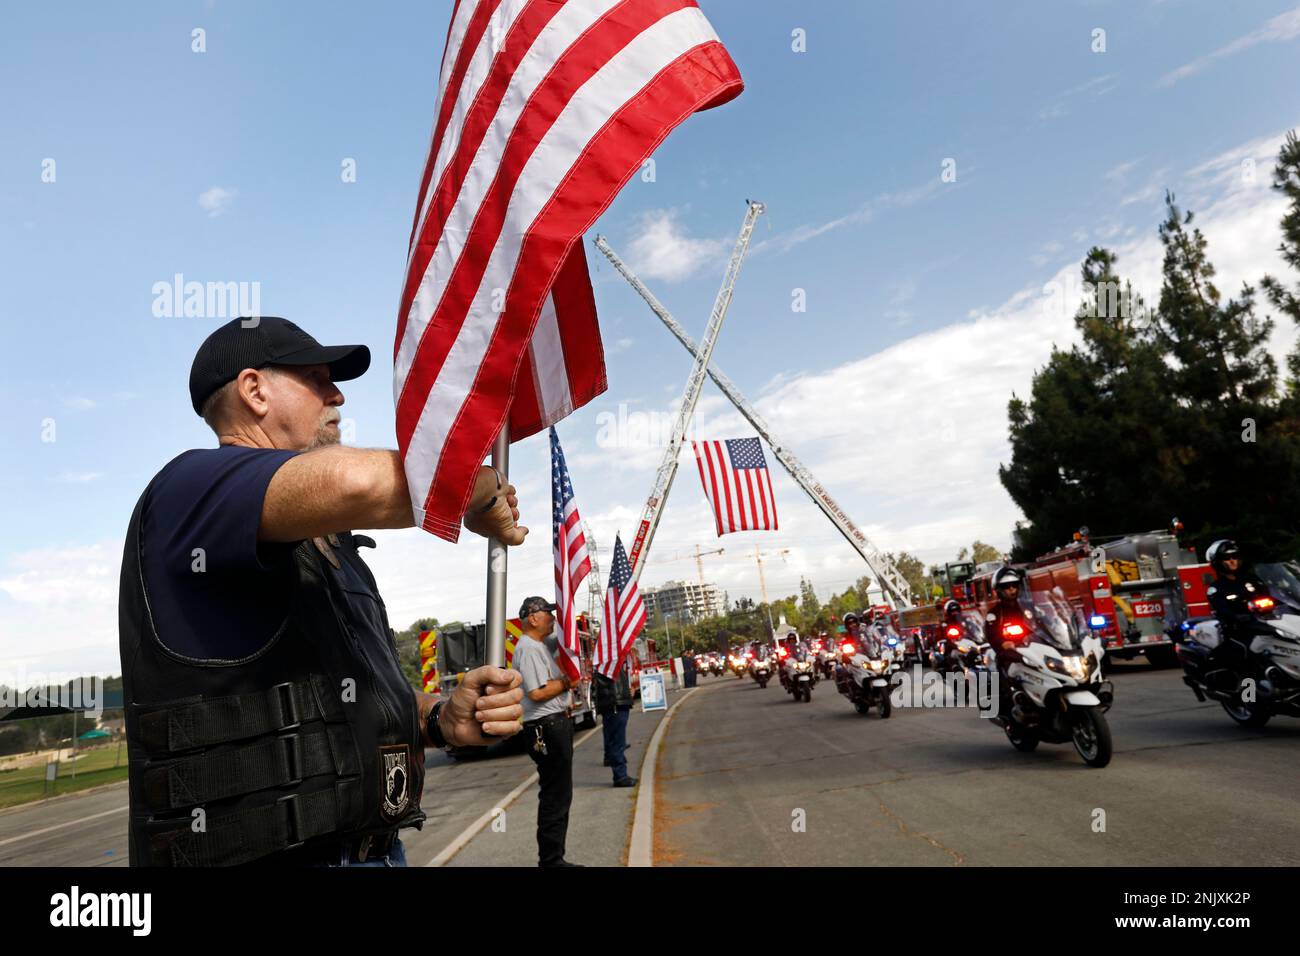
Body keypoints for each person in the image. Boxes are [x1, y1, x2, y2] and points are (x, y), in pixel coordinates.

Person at [118, 317, 526, 867]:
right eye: (316, 377)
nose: (337, 394)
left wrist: (440, 718)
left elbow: (351, 699)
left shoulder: (329, 545)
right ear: (254, 391)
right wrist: (474, 487)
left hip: (373, 851)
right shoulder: (190, 488)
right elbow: (354, 482)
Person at [513, 596, 582, 867]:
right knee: (555, 796)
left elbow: (566, 637)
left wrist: (568, 619)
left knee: (559, 794)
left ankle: (554, 858)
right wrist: (567, 682)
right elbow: (537, 692)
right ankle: (552, 861)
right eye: (548, 613)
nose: (553, 618)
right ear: (533, 618)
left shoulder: (539, 644)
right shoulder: (529, 648)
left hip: (553, 725)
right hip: (546, 727)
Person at [1204, 539, 1268, 679]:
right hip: (1238, 632)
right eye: (1227, 558)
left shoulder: (1250, 581)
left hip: (1263, 627)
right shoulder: (1216, 588)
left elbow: (1274, 597)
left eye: (1234, 557)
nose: (1232, 561)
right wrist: (1237, 617)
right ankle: (1249, 696)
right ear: (1217, 562)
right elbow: (1222, 610)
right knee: (1248, 660)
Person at [984, 566, 1028, 719]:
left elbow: (1046, 622)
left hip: (1033, 649)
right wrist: (1003, 643)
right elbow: (991, 635)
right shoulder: (995, 613)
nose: (1012, 589)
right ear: (999, 590)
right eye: (1007, 587)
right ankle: (1012, 708)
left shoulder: (1029, 607)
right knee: (1010, 676)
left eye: (1014, 585)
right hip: (1009, 654)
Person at [593, 663, 637, 788]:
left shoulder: (608, 660)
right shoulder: (610, 660)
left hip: (615, 702)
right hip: (616, 703)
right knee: (617, 741)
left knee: (614, 738)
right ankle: (620, 776)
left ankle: (616, 767)